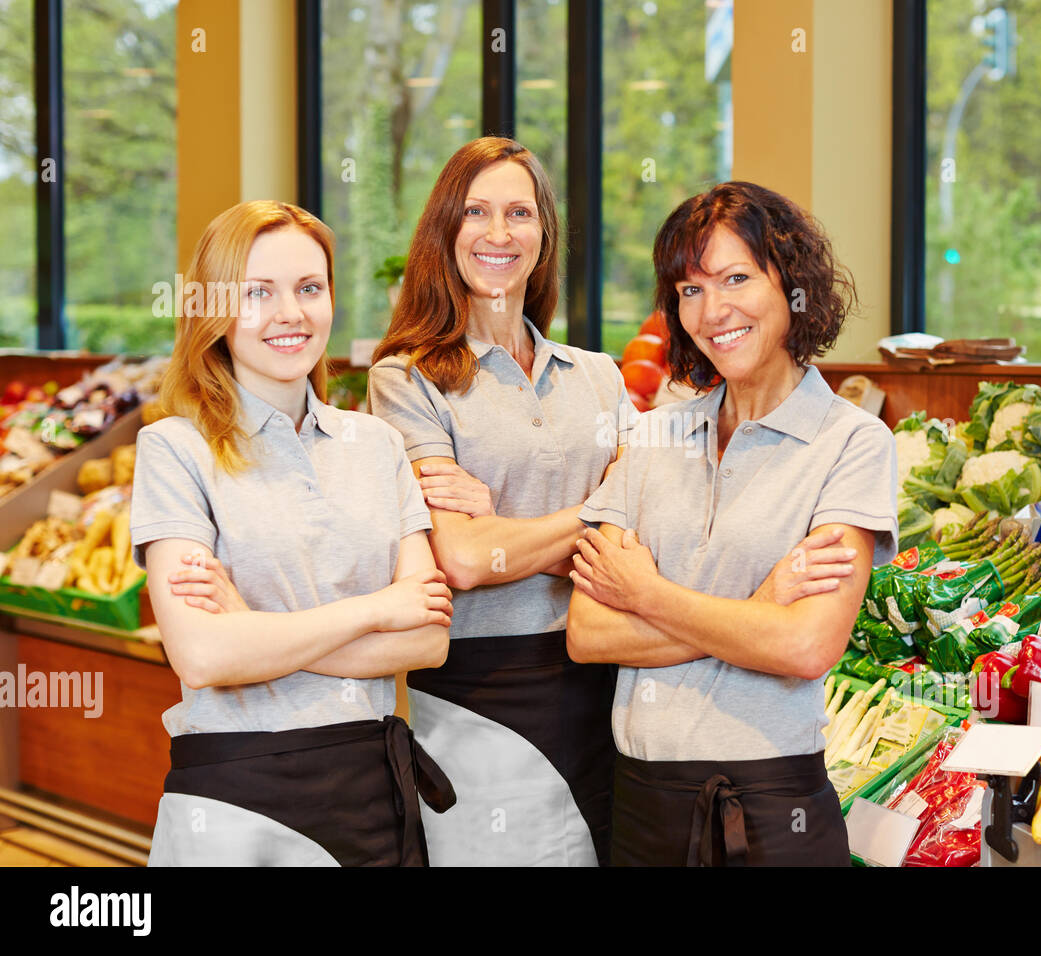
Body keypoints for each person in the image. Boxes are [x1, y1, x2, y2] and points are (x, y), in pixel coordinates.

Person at [567, 181, 899, 866]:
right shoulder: (653, 435)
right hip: (640, 801)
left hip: (774, 809)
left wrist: (648, 596)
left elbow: (805, 647)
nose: (712, 310)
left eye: (736, 279)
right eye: (689, 290)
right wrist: (757, 610)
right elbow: (588, 632)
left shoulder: (853, 443)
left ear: (792, 284)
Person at [131, 200, 456, 866]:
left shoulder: (378, 444)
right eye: (258, 293)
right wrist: (374, 611)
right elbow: (204, 658)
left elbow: (426, 638)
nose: (291, 314)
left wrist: (252, 626)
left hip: (371, 789)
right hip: (233, 800)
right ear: (215, 308)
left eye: (309, 288)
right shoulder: (174, 449)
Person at [365, 137, 636, 866]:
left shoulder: (599, 377)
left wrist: (505, 525)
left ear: (544, 235)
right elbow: (462, 558)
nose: (498, 232)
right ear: (445, 230)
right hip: (480, 696)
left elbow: (652, 529)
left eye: (520, 212)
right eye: (476, 211)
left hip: (613, 681)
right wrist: (602, 509)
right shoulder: (408, 378)